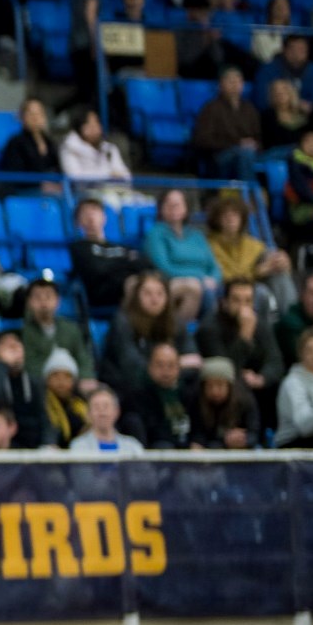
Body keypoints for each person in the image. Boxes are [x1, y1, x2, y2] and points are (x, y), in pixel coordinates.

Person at [197, 279, 286, 419]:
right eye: (236, 300)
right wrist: (245, 336)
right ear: (224, 302)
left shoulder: (259, 323)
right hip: (223, 390)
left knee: (279, 384)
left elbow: (275, 361)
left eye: (248, 301)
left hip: (256, 384)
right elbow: (224, 369)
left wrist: (261, 379)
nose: (243, 307)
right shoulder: (209, 328)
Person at [102, 272, 198, 400]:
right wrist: (173, 366)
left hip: (170, 384)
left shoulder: (174, 321)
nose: (154, 299)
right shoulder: (122, 322)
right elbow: (130, 365)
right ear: (137, 296)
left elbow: (194, 359)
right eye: (148, 293)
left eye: (160, 294)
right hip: (129, 387)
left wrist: (166, 369)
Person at [203, 195, 298, 311]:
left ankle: (289, 315)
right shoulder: (208, 244)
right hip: (223, 289)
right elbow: (225, 277)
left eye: (235, 215)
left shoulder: (252, 244)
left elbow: (269, 259)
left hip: (252, 284)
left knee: (279, 273)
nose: (230, 219)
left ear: (242, 218)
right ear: (217, 219)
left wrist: (283, 262)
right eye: (225, 215)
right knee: (259, 293)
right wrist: (258, 271)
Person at [144, 188, 221, 323]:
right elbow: (164, 267)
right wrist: (200, 278)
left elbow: (213, 265)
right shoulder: (155, 234)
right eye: (168, 203)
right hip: (173, 282)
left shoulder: (197, 235)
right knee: (205, 293)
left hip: (206, 284)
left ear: (186, 208)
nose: (173, 206)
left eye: (178, 203)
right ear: (161, 208)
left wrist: (214, 279)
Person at [68, 197, 149, 309]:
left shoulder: (121, 247)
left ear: (104, 217)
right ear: (78, 222)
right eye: (85, 214)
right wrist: (126, 262)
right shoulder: (79, 247)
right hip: (103, 294)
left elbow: (146, 264)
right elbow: (97, 270)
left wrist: (112, 264)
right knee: (136, 284)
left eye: (94, 212)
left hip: (131, 286)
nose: (91, 218)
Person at [190, 67, 262, 180]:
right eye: (230, 81)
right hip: (221, 156)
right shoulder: (211, 108)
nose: (234, 85)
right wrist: (237, 143)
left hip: (251, 153)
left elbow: (259, 136)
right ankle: (248, 194)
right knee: (245, 154)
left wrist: (255, 144)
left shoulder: (250, 109)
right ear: (220, 85)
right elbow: (202, 140)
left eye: (238, 81)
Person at [20, 277, 95, 384]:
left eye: (48, 296)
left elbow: (83, 358)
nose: (43, 301)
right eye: (37, 297)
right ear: (29, 302)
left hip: (73, 382)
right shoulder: (24, 332)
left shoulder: (71, 328)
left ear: (58, 300)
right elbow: (31, 366)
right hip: (41, 385)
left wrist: (86, 377)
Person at [129, 343, 193, 449]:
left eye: (171, 365)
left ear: (179, 367)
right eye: (160, 365)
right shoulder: (138, 396)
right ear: (150, 367)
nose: (166, 371)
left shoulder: (189, 393)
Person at [188, 357, 260, 450]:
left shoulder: (245, 401)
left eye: (220, 385)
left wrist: (243, 439)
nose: (215, 391)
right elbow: (196, 433)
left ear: (229, 386)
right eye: (210, 386)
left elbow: (254, 433)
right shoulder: (196, 401)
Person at [0, 96, 62, 190]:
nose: (35, 118)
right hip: (25, 191)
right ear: (22, 117)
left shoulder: (50, 143)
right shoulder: (16, 142)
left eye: (39, 113)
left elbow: (58, 170)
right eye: (31, 114)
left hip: (51, 189)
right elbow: (14, 176)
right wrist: (39, 185)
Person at [59, 108, 134, 190]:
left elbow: (127, 177)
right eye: (89, 124)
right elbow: (76, 178)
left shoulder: (109, 148)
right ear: (79, 127)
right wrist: (109, 175)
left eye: (97, 122)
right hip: (83, 197)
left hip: (112, 193)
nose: (95, 128)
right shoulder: (69, 148)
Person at [67, 0, 105, 111]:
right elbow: (90, 16)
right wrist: (95, 44)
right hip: (85, 44)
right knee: (89, 90)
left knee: (85, 88)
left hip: (75, 43)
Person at [69, 387, 145, 454]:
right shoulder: (78, 446)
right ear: (88, 413)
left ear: (117, 411)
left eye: (106, 406)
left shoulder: (132, 446)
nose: (102, 412)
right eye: (96, 407)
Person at [255, 36, 313, 111]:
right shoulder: (268, 70)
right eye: (299, 48)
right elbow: (261, 101)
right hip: (275, 115)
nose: (303, 51)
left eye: (304, 48)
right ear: (287, 51)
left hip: (306, 116)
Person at [41, 351, 89, 448]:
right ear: (47, 379)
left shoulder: (81, 405)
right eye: (56, 376)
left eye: (66, 377)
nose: (61, 382)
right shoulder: (41, 404)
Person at [261, 78, 312, 149]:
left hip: (302, 153)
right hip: (278, 154)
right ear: (272, 95)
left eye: (283, 90)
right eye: (276, 91)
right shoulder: (267, 116)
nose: (280, 93)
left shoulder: (303, 113)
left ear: (290, 92)